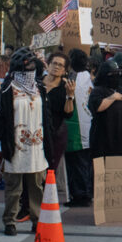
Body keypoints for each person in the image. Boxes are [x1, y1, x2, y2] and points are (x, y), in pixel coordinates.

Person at [0, 47, 49, 234]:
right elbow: (1, 120)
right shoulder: (7, 91)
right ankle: (10, 220)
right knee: (13, 187)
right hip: (16, 146)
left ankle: (37, 218)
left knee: (36, 186)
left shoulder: (39, 89)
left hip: (37, 147)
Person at [41, 52, 74, 202]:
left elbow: (68, 114)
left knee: (50, 168)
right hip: (35, 133)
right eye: (54, 63)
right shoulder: (37, 83)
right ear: (48, 64)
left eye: (61, 65)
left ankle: (46, 201)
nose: (56, 67)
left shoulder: (64, 87)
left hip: (55, 134)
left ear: (65, 70)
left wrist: (70, 96)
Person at [89, 58, 122, 158]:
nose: (116, 77)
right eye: (112, 74)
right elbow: (97, 107)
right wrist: (112, 97)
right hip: (104, 146)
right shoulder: (97, 91)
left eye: (118, 73)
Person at [64, 49, 93, 207]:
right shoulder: (89, 76)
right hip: (88, 123)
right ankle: (85, 192)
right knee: (84, 163)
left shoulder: (72, 78)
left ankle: (80, 195)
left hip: (76, 127)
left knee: (76, 164)